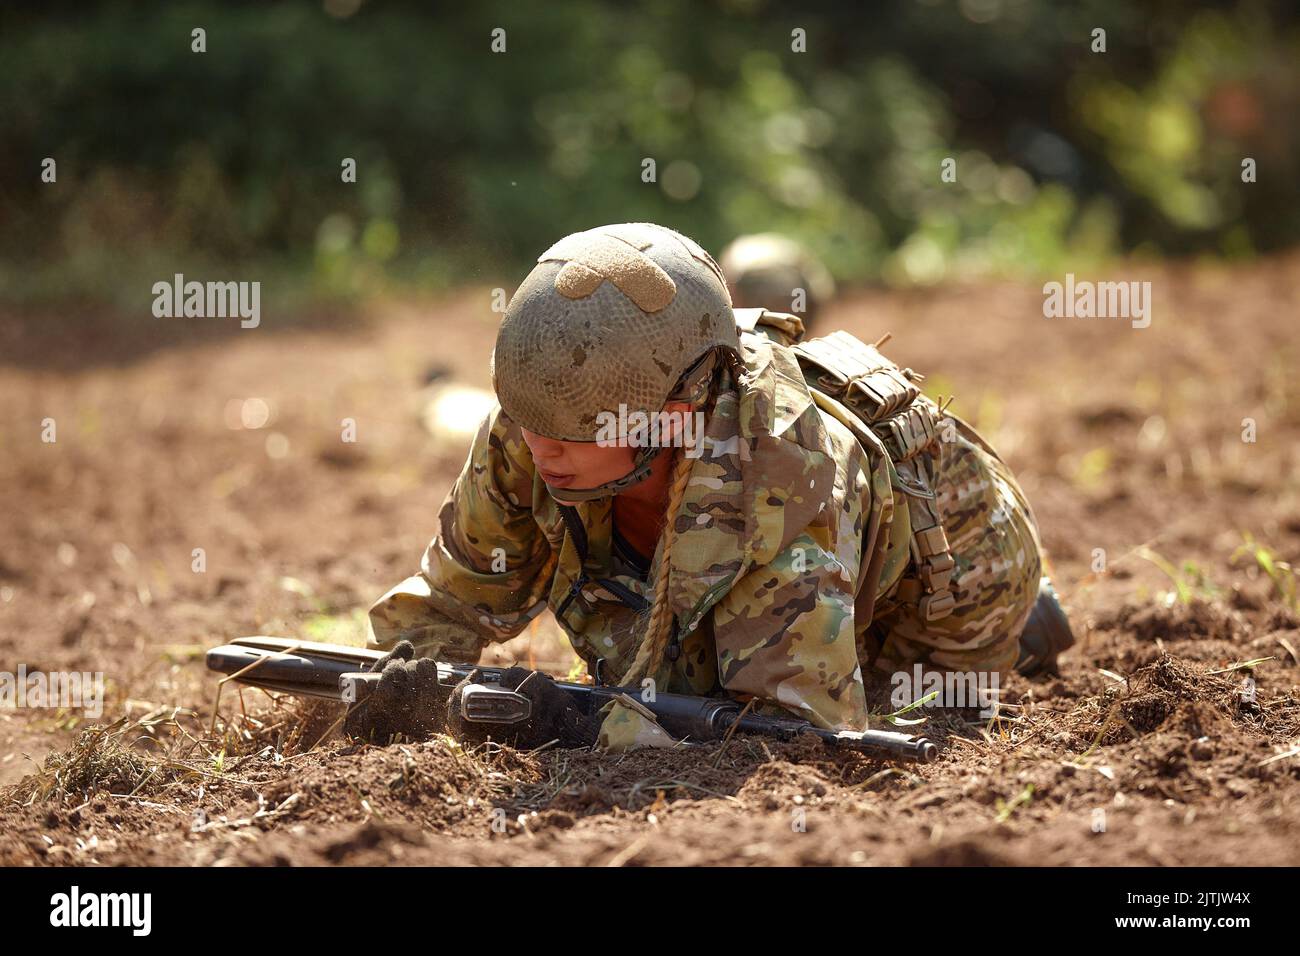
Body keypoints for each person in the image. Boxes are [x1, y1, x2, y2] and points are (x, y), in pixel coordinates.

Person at [345, 222, 1072, 750]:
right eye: (530, 420)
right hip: (771, 559)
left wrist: (570, 724)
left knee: (902, 713)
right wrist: (399, 691)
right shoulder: (535, 424)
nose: (541, 449)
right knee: (665, 673)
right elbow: (454, 599)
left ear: (675, 416)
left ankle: (1025, 631)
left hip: (951, 582)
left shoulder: (777, 471)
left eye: (574, 431)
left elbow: (790, 731)